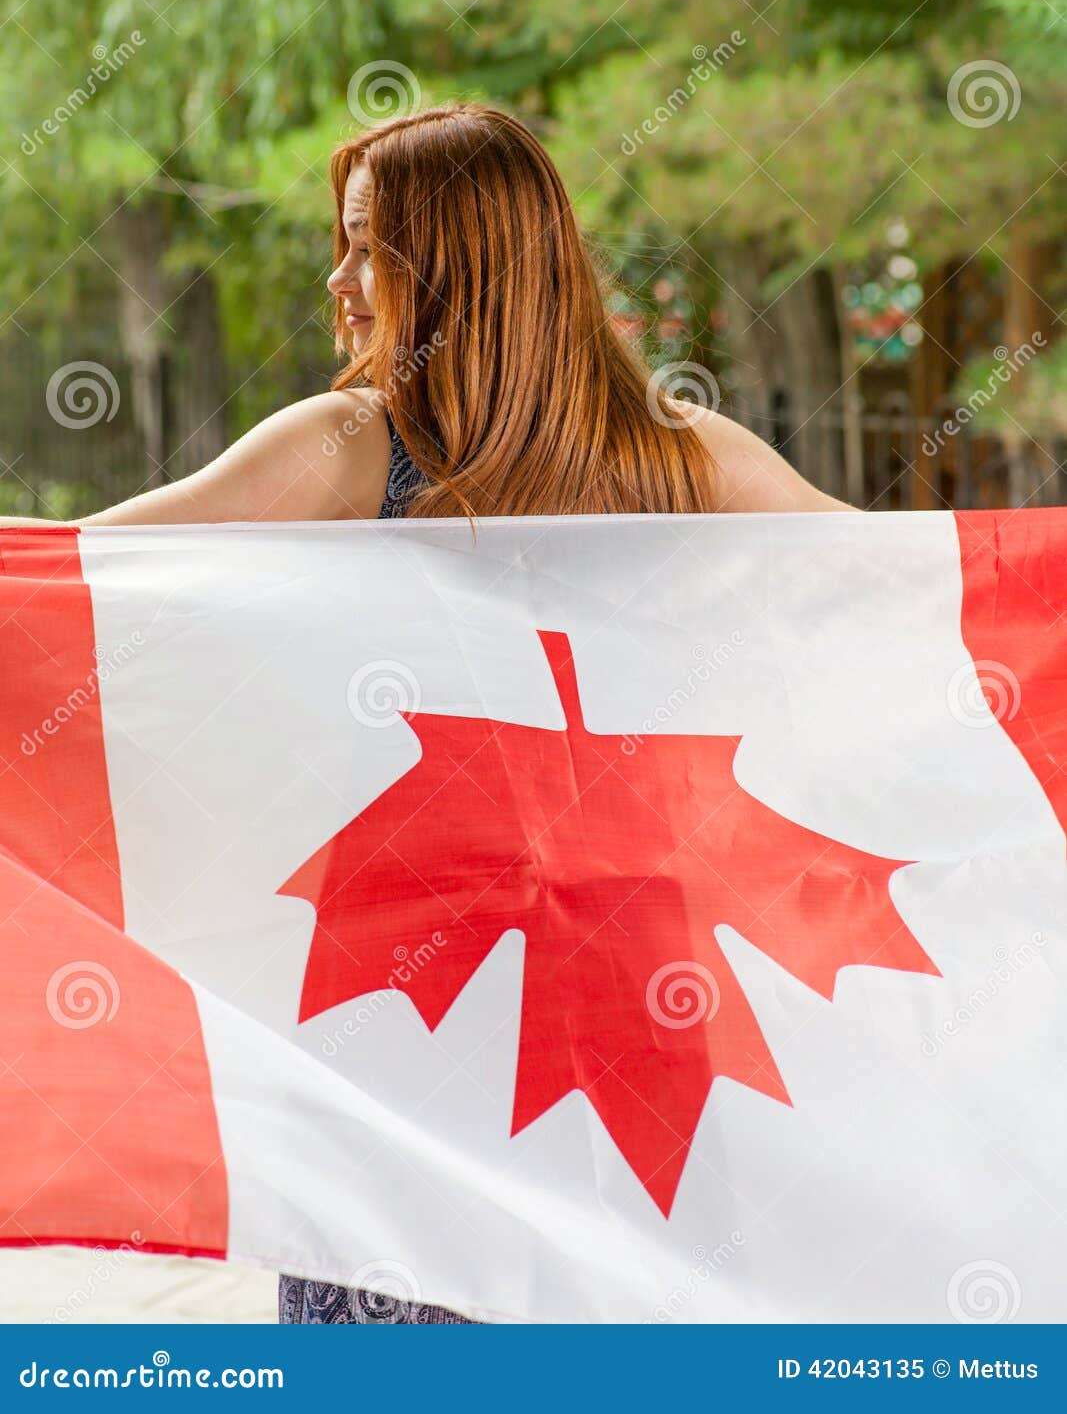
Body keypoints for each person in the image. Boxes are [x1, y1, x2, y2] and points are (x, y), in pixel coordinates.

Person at [2, 102, 848, 1322]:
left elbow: (75, 576)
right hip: (623, 994)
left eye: (365, 247)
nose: (337, 280)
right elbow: (912, 601)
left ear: (455, 267)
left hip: (421, 998)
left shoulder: (361, 448)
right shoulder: (686, 457)